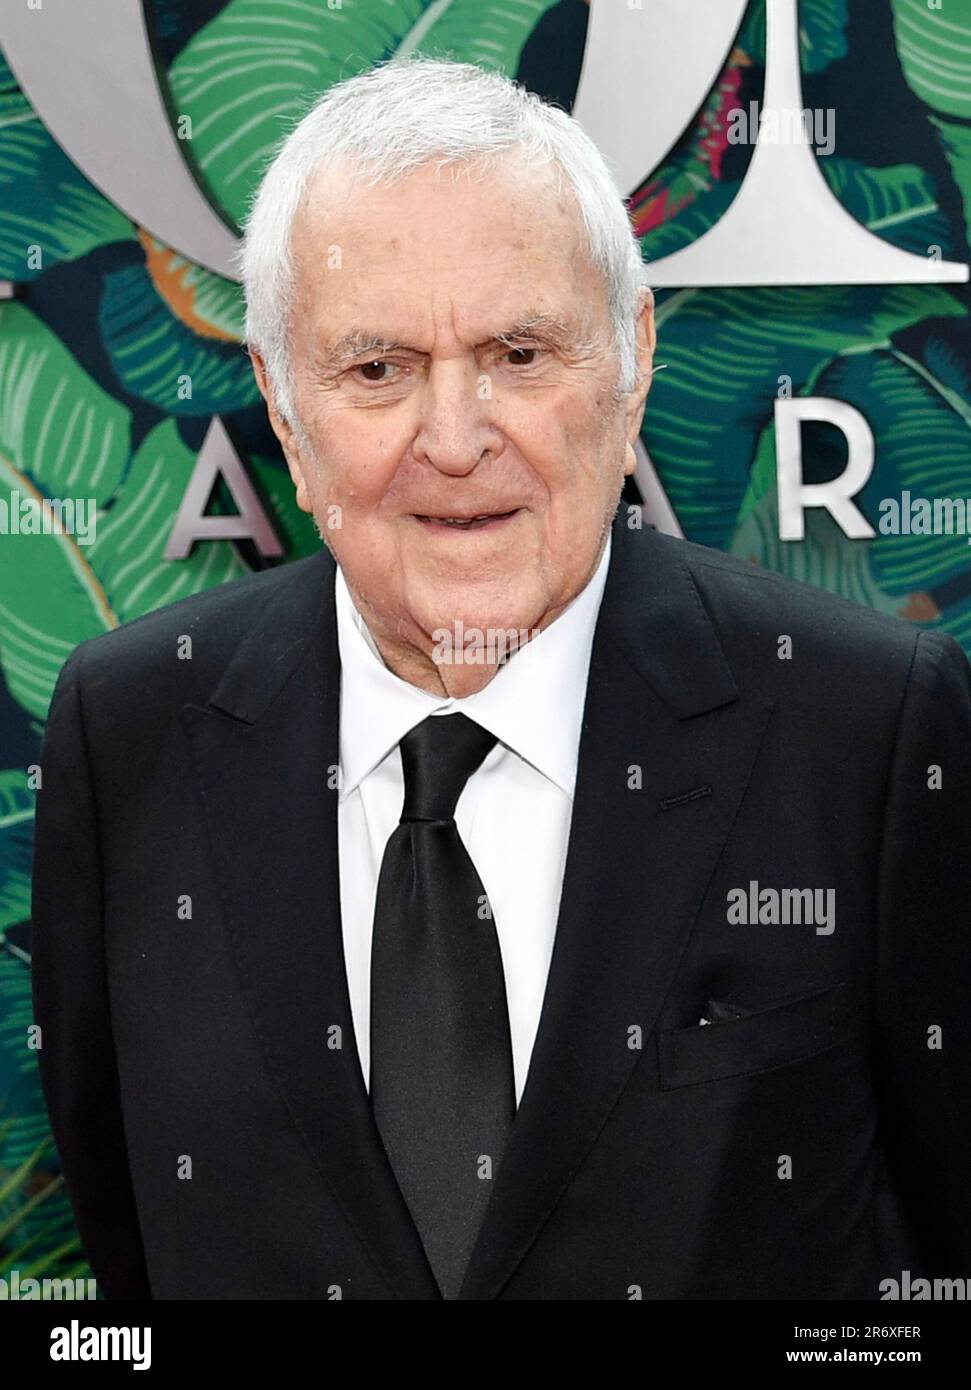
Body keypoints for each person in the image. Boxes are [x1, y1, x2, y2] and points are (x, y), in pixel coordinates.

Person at [31, 56, 971, 1301]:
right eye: (376, 370)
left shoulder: (863, 723)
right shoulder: (128, 728)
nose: (458, 438)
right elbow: (129, 1233)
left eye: (519, 352)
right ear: (282, 409)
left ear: (629, 364)